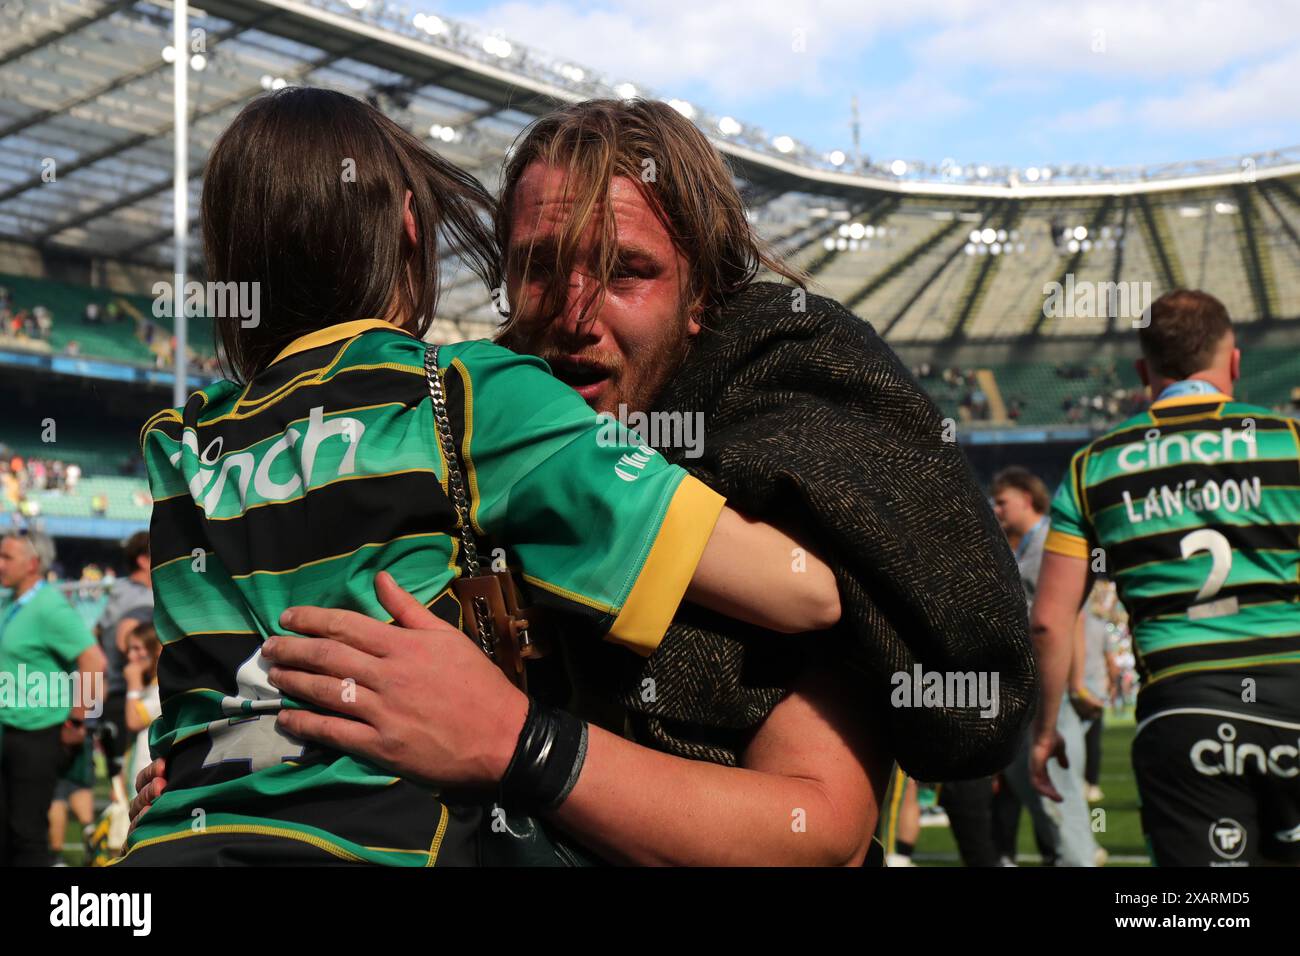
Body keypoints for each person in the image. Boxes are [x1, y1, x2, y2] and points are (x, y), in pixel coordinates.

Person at [132, 94, 1033, 866]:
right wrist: (235, 769)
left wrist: (511, 742)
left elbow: (818, 826)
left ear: (703, 302)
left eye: (628, 273)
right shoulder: (454, 431)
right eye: (536, 267)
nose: (572, 314)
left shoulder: (784, 475)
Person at [1030, 289, 1300, 866]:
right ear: (1234, 361)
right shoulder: (1290, 442)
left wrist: (1046, 731)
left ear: (1142, 370)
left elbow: (1050, 623)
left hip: (1181, 711)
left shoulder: (1093, 467)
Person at [990, 466, 1098, 866]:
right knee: (1028, 784)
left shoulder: (1053, 541)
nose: (995, 508)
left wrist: (1074, 685)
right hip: (1024, 688)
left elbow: (1069, 620)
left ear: (1028, 498)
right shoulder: (1016, 548)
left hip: (1050, 688)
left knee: (1058, 792)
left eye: (1002, 500)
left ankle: (1077, 860)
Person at [0, 530, 106, 866]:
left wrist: (77, 719)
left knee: (26, 831)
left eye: (6, 557)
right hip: (9, 729)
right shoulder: (9, 603)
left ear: (33, 564)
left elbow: (93, 660)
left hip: (37, 732)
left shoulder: (49, 605)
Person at [94, 531, 152, 781]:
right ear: (143, 560)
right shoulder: (140, 596)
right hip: (131, 695)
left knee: (121, 781)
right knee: (136, 782)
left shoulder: (120, 591)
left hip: (114, 696)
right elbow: (125, 636)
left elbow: (96, 632)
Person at [120, 622, 161, 801]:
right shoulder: (148, 687)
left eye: (138, 649)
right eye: (129, 649)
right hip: (137, 776)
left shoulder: (161, 688)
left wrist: (133, 685)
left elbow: (134, 721)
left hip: (151, 779)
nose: (131, 656)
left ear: (156, 649)